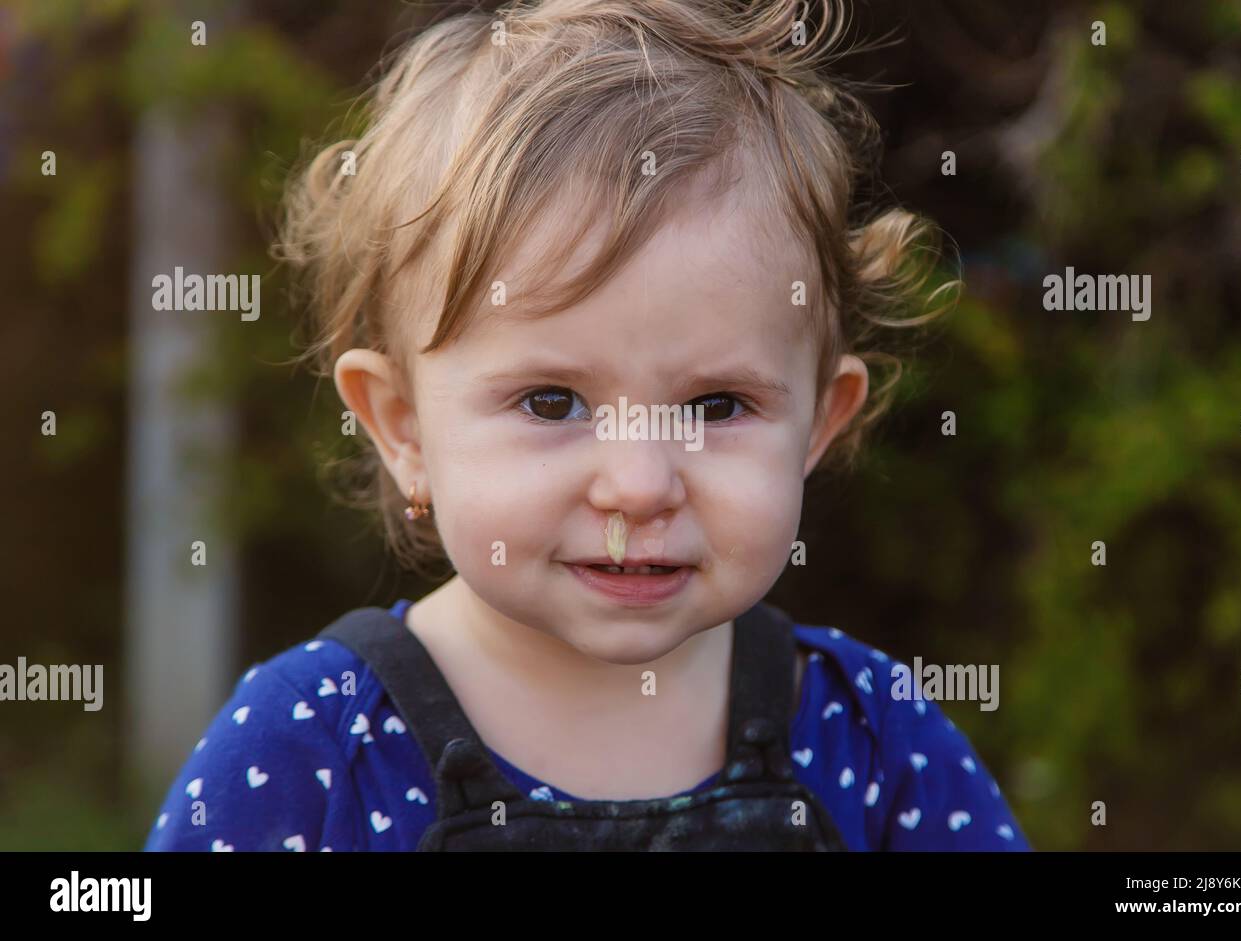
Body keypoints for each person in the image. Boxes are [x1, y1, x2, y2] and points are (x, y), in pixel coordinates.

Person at [145, 0, 1030, 851]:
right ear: (403, 427)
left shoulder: (871, 739)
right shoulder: (314, 749)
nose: (640, 486)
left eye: (717, 406)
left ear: (816, 422)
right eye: (552, 402)